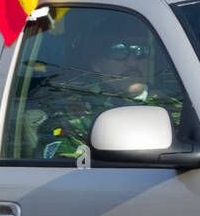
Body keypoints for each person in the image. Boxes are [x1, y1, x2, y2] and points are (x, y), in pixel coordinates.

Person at [34, 18, 179, 159]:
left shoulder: (181, 106)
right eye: (118, 51)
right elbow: (68, 171)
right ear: (97, 64)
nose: (132, 62)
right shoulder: (74, 115)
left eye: (141, 50)